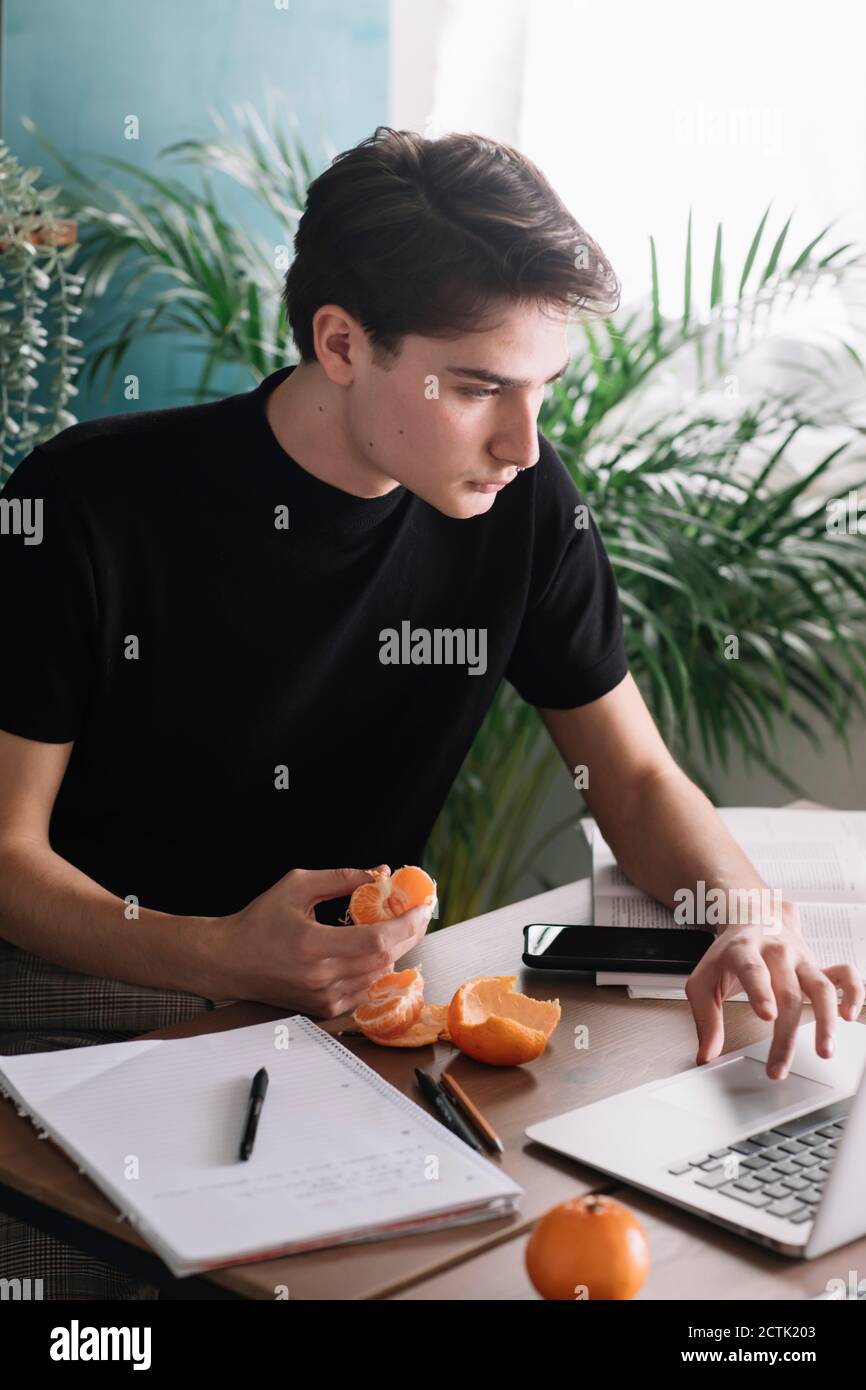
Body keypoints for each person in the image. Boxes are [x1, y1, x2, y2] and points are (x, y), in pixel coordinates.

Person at [0, 127, 861, 1299]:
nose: (522, 441)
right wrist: (215, 952)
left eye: (542, 389)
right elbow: (7, 859)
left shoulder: (523, 504)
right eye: (475, 388)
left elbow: (632, 777)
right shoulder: (84, 504)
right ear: (341, 343)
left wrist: (742, 914)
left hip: (346, 1021)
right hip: (78, 1008)